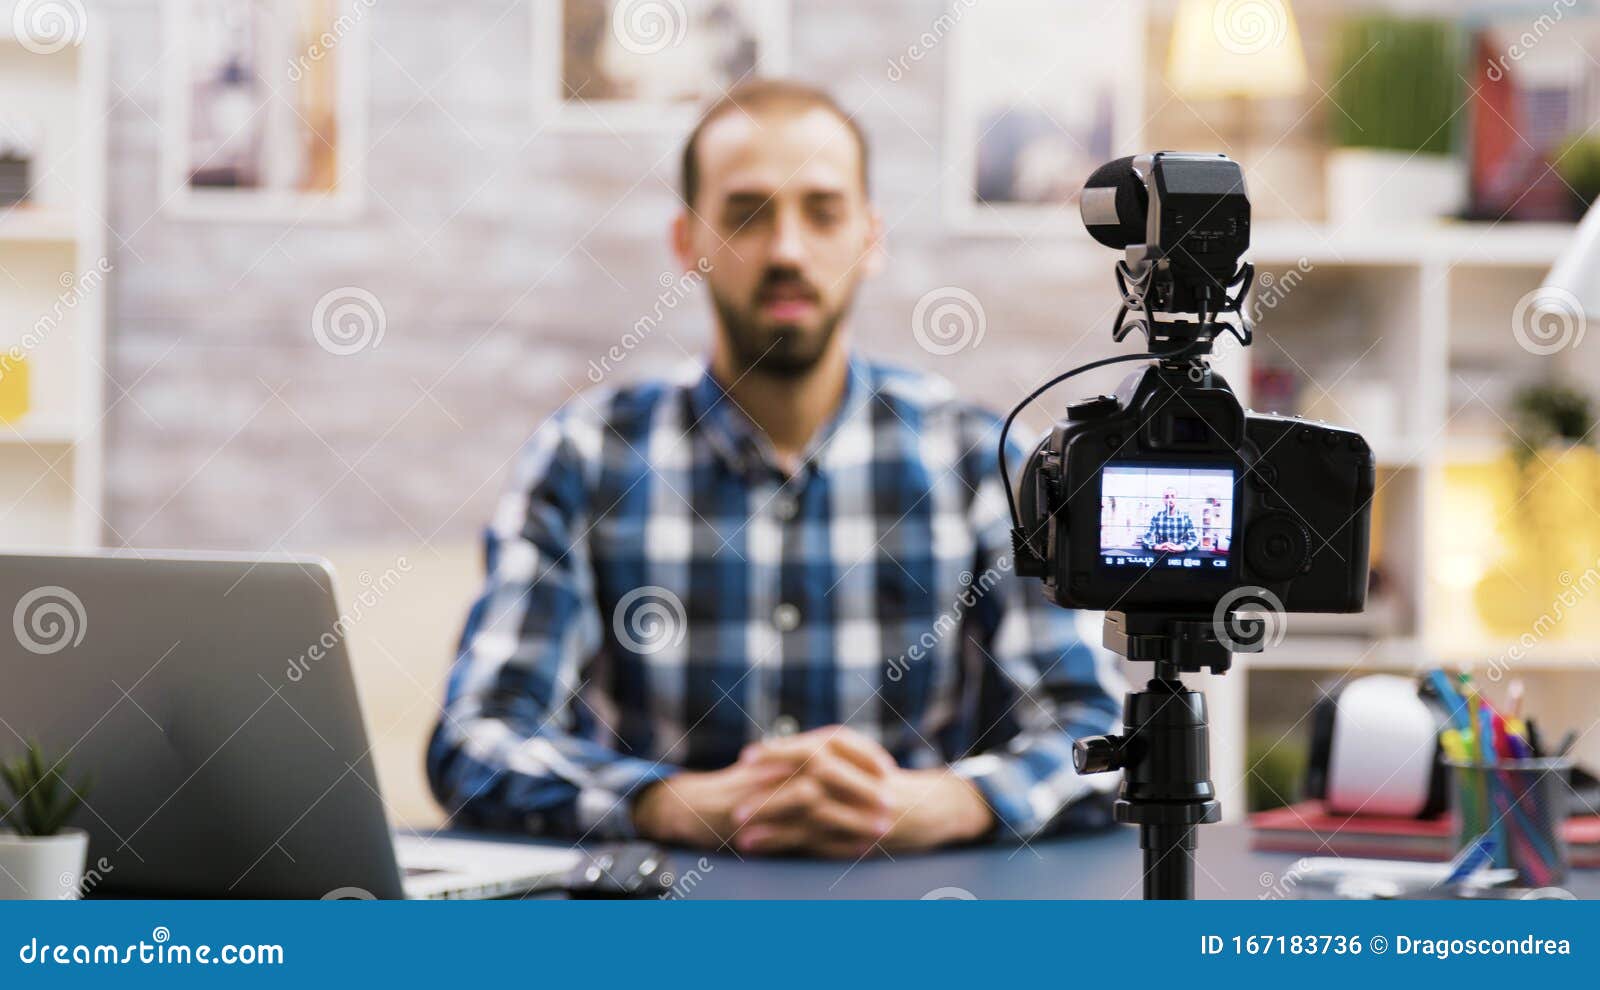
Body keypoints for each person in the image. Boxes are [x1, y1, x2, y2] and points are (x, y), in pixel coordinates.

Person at [426, 80, 1120, 859]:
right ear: (688, 243)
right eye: (747, 213)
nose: (788, 249)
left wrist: (952, 802)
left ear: (870, 236)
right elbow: (477, 740)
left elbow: (1101, 730)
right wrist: (667, 803)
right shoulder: (585, 458)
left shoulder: (979, 460)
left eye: (822, 211)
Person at [1140, 488, 1198, 553]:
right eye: (1167, 497)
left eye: (1172, 497)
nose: (1170, 500)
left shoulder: (1186, 517)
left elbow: (1195, 539)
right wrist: (1157, 546)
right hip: (1161, 556)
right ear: (1163, 500)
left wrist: (1181, 547)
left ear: (1177, 499)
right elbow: (1145, 539)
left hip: (1182, 557)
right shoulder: (1157, 517)